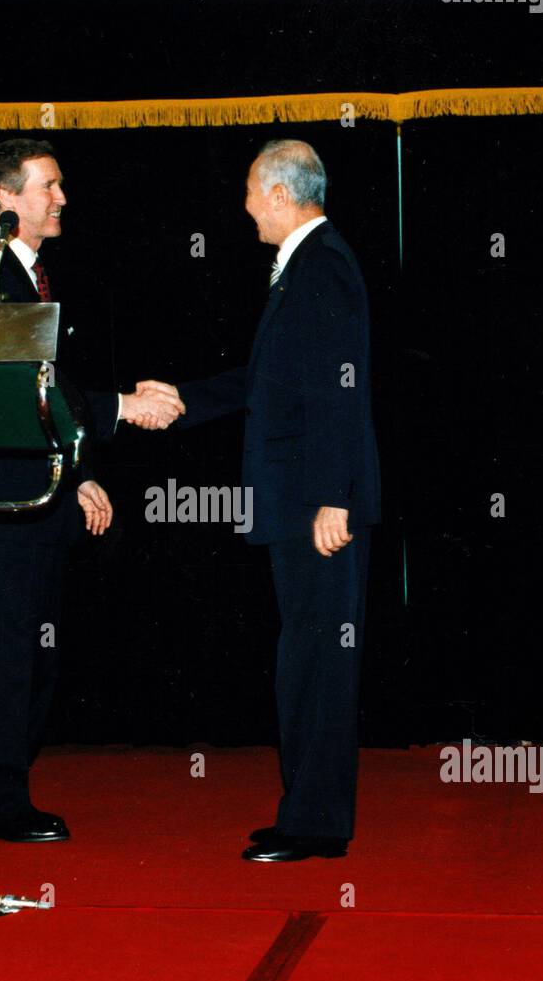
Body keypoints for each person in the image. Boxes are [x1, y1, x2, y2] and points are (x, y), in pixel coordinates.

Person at [145, 140, 380, 861]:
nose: (245, 207)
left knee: (318, 660)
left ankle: (314, 824)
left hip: (317, 508)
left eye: (251, 192)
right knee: (303, 655)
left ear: (281, 194)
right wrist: (179, 396)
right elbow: (265, 383)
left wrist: (333, 499)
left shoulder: (324, 267)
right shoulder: (303, 266)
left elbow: (339, 390)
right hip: (300, 502)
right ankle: (306, 808)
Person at [0, 138, 182, 842]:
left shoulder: (31, 276)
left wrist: (74, 479)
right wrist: (122, 408)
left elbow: (40, 404)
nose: (62, 198)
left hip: (31, 500)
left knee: (29, 658)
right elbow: (27, 391)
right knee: (1, 661)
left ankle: (5, 796)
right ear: (6, 199)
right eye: (49, 186)